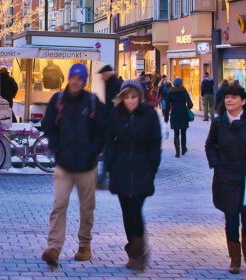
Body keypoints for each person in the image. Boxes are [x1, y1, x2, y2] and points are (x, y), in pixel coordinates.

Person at [38, 63, 105, 268]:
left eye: (79, 78)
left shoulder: (92, 102)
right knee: (59, 205)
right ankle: (54, 248)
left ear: (84, 81)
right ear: (68, 78)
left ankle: (84, 245)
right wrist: (57, 147)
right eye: (73, 77)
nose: (75, 81)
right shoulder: (58, 100)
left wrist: (93, 150)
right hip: (64, 165)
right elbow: (48, 126)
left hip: (87, 166)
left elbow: (103, 130)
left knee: (87, 208)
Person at [205, 81, 246, 275]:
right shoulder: (218, 122)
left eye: (233, 97)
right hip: (225, 178)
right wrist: (215, 163)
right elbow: (209, 145)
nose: (229, 100)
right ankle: (235, 259)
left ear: (243, 101)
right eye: (226, 97)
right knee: (231, 220)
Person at [103, 79, 162, 271]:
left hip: (142, 170)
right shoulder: (115, 115)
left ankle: (138, 251)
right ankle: (135, 252)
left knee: (135, 210)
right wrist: (110, 165)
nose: (130, 101)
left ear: (140, 97)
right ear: (121, 97)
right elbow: (109, 141)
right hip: (121, 170)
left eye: (134, 97)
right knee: (127, 213)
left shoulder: (149, 115)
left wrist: (152, 166)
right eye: (127, 97)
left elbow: (155, 143)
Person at [163, 78, 194, 155]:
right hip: (183, 114)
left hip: (174, 114)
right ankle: (183, 149)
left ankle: (177, 152)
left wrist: (166, 118)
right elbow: (190, 104)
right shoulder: (184, 91)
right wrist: (187, 107)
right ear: (181, 84)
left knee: (176, 133)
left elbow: (167, 107)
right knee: (183, 133)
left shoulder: (170, 92)